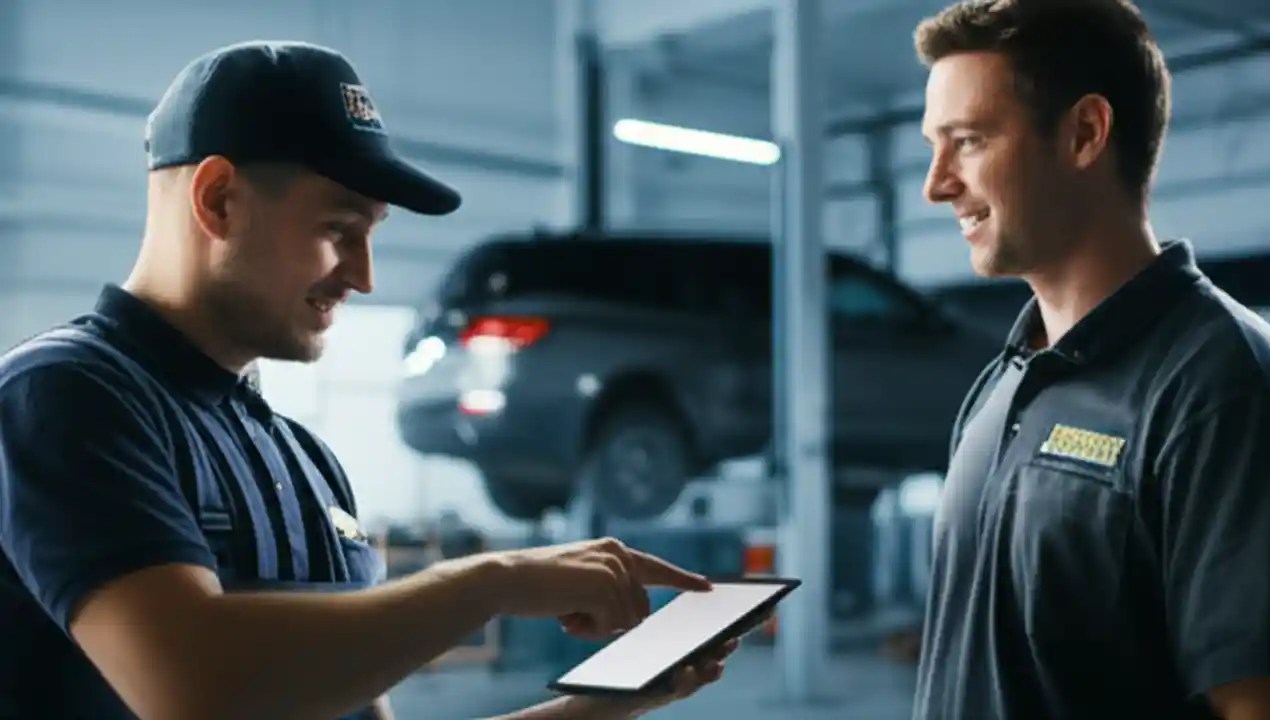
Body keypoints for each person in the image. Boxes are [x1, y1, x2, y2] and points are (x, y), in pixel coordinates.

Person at [0, 40, 737, 720]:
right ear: (218, 199)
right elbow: (194, 686)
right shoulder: (63, 396)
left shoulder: (304, 461)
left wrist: (604, 705)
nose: (363, 275)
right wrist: (494, 582)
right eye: (338, 231)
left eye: (371, 236)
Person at [911, 1, 1270, 718]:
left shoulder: (1221, 385)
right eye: (935, 145)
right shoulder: (1002, 385)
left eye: (969, 142)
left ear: (1084, 134)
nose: (936, 183)